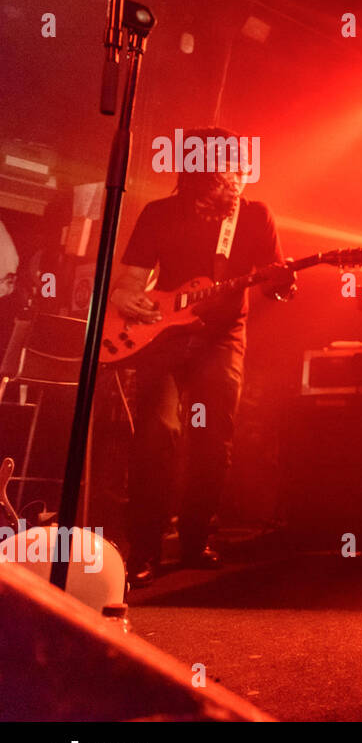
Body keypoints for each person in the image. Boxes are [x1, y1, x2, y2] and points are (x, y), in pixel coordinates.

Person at [111, 128, 294, 587]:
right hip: (163, 337)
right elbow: (130, 281)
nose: (225, 175)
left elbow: (279, 286)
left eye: (230, 166)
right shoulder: (160, 213)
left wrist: (283, 282)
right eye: (213, 166)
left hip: (222, 337)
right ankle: (145, 549)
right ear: (192, 170)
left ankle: (195, 541)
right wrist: (126, 297)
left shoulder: (254, 216)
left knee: (213, 440)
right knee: (156, 435)